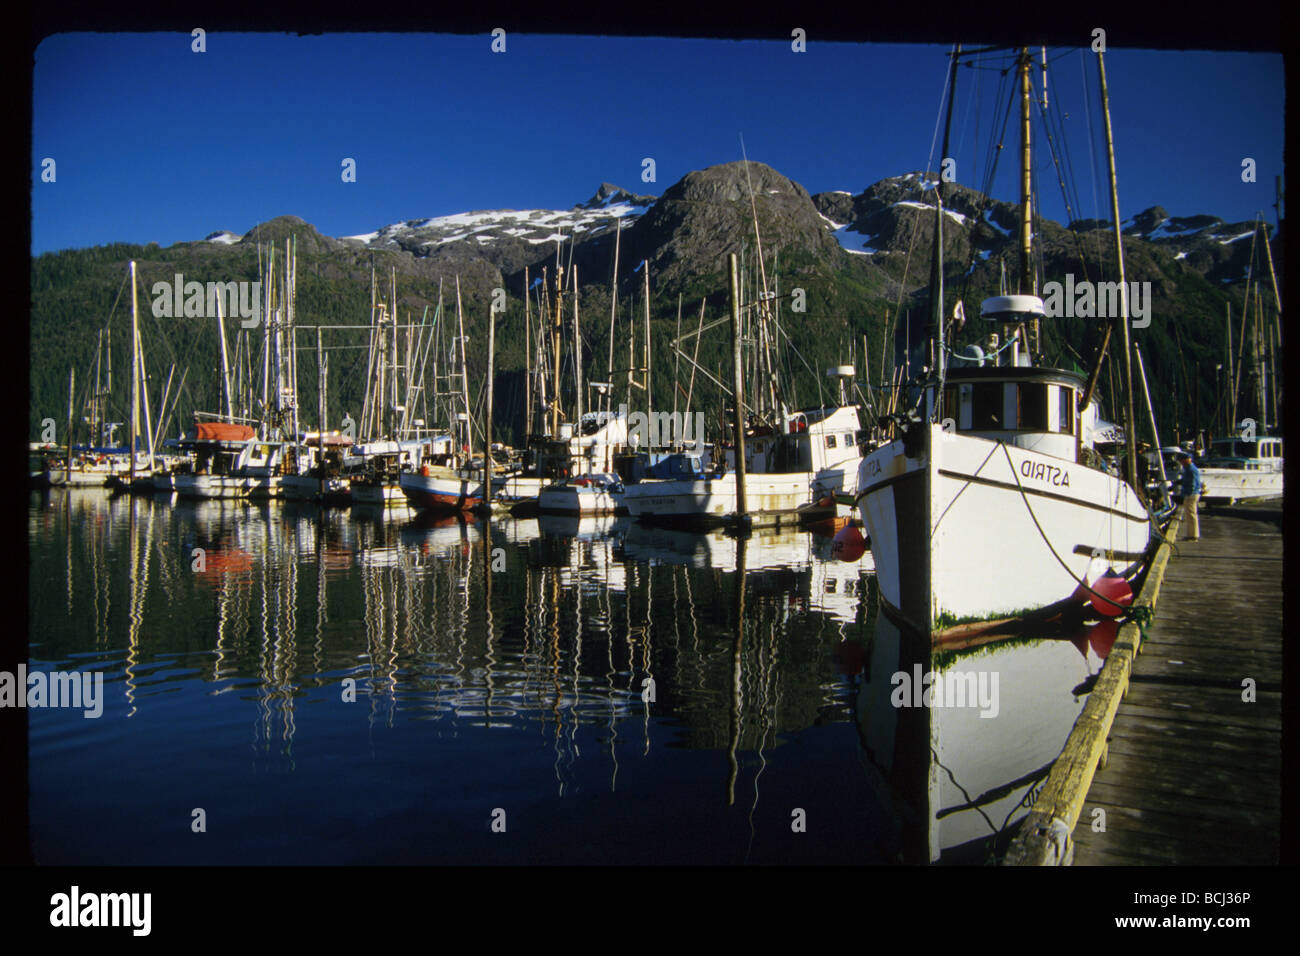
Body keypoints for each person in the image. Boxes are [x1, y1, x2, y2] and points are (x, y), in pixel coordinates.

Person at [1174, 451, 1201, 540]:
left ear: (1185, 460)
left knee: (1191, 515)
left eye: (1181, 461)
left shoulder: (1190, 469)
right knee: (1190, 515)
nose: (1180, 463)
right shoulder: (1189, 469)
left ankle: (1193, 535)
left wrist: (1187, 494)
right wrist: (1179, 482)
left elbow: (1192, 483)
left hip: (1191, 494)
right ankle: (1191, 534)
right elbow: (1187, 480)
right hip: (1191, 493)